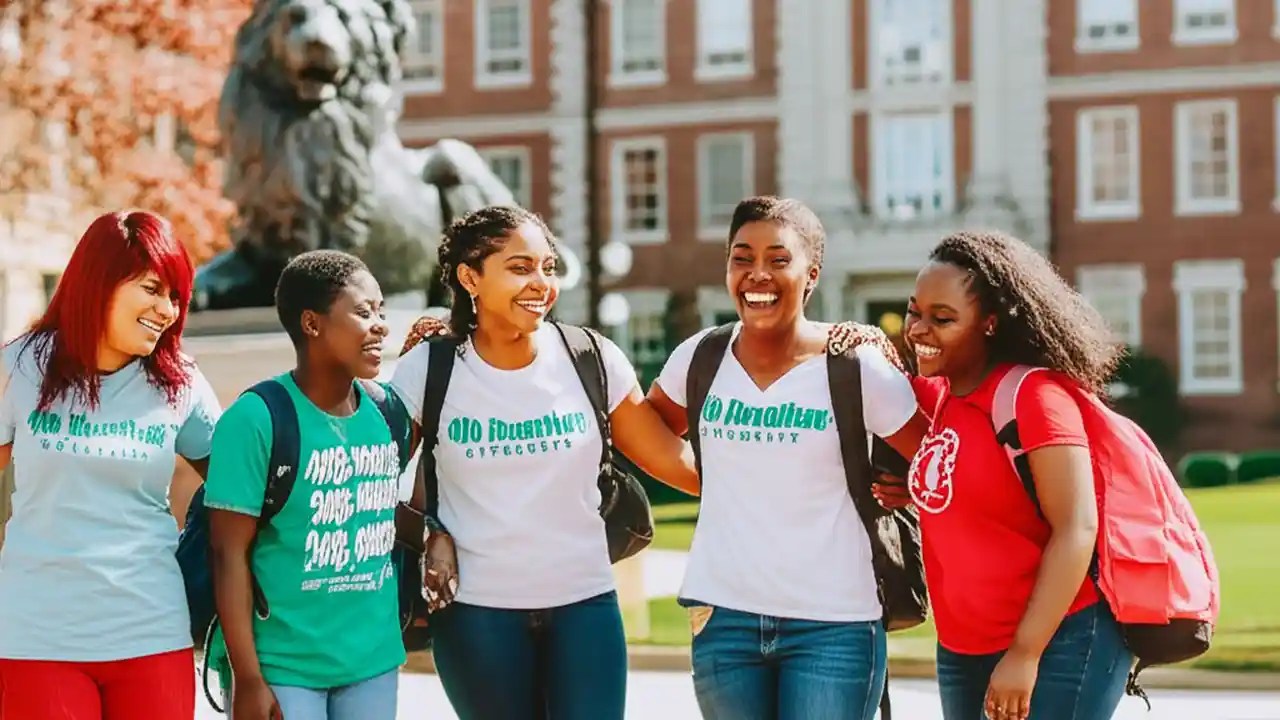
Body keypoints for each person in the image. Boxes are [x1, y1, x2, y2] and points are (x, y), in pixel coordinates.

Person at [388, 205, 698, 720]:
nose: (541, 283)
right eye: (519, 267)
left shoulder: (591, 358)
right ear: (470, 277)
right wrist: (427, 535)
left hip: (585, 606)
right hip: (476, 615)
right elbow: (365, 482)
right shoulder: (429, 368)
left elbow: (680, 465)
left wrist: (818, 472)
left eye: (548, 267)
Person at [645, 196, 928, 720]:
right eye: (742, 257)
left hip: (835, 624)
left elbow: (942, 464)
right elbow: (646, 430)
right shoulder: (700, 356)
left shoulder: (857, 367)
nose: (758, 274)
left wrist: (914, 489)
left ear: (811, 274)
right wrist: (715, 483)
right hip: (723, 619)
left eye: (779, 259)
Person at [901, 231, 1132, 720]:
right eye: (913, 311)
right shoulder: (937, 395)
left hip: (1059, 639)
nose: (919, 329)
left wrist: (1025, 653)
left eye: (942, 319)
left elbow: (1077, 528)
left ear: (989, 323)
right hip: (962, 647)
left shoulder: (1033, 398)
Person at [0, 210, 221, 719]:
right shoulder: (21, 366)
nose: (167, 310)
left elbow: (240, 490)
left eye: (174, 297)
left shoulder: (180, 381)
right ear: (99, 281)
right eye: (151, 288)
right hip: (39, 638)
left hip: (152, 631)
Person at [205, 250, 407, 720]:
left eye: (380, 310)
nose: (379, 324)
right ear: (312, 324)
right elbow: (227, 554)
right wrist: (249, 679)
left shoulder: (388, 411)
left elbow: (384, 510)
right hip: (283, 668)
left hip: (373, 661)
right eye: (363, 312)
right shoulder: (256, 418)